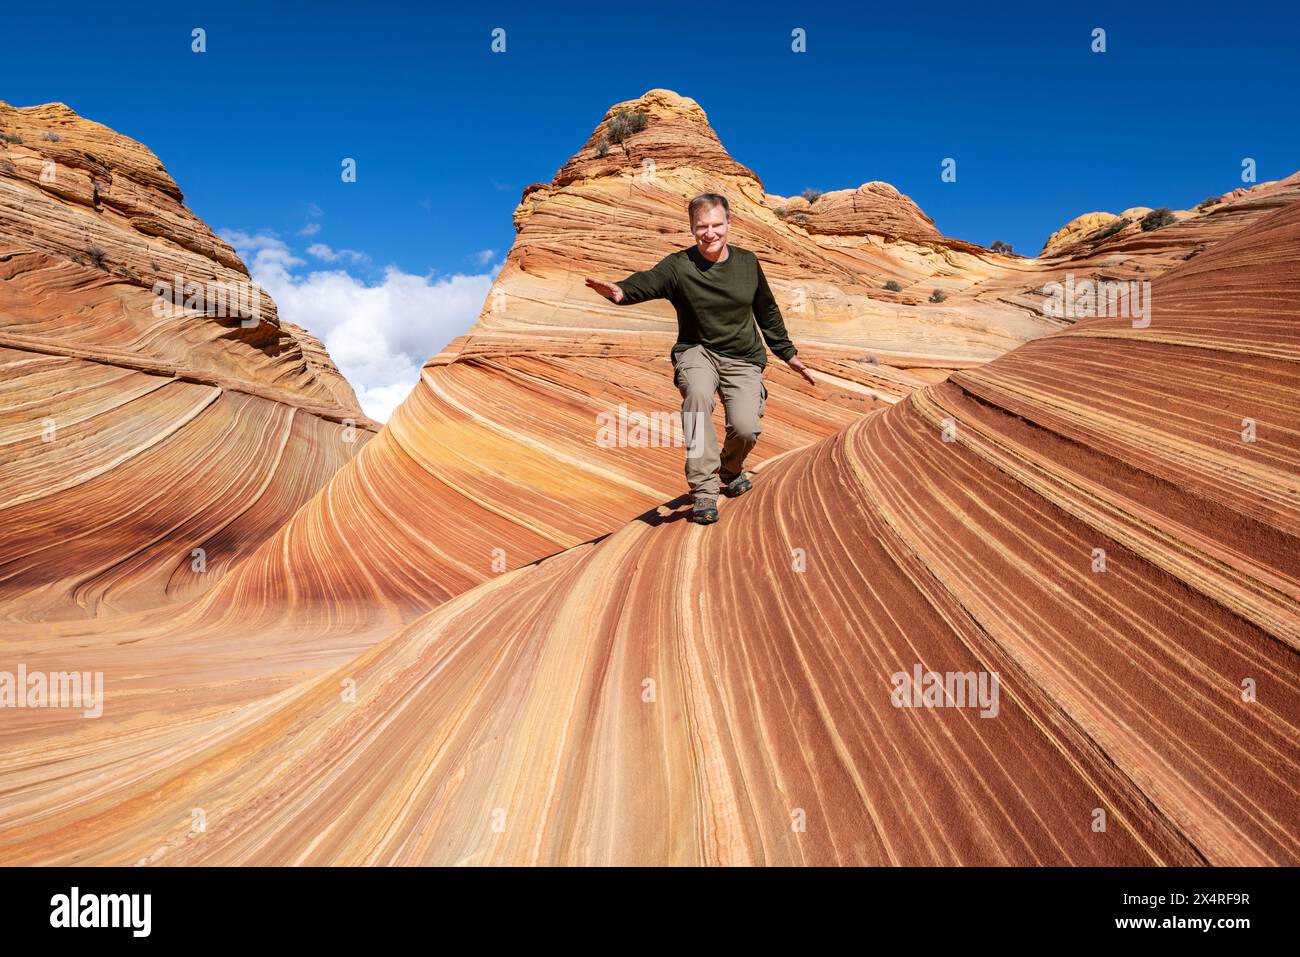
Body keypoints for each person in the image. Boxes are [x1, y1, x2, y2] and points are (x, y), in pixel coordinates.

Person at [585, 192, 816, 524]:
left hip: (743, 356)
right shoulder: (680, 266)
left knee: (747, 427)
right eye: (701, 226)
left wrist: (788, 354)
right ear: (692, 228)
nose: (710, 233)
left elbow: (766, 310)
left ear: (729, 223)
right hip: (697, 351)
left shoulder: (748, 263)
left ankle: (729, 469)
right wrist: (621, 292)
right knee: (697, 399)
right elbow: (649, 282)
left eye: (717, 225)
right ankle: (704, 491)